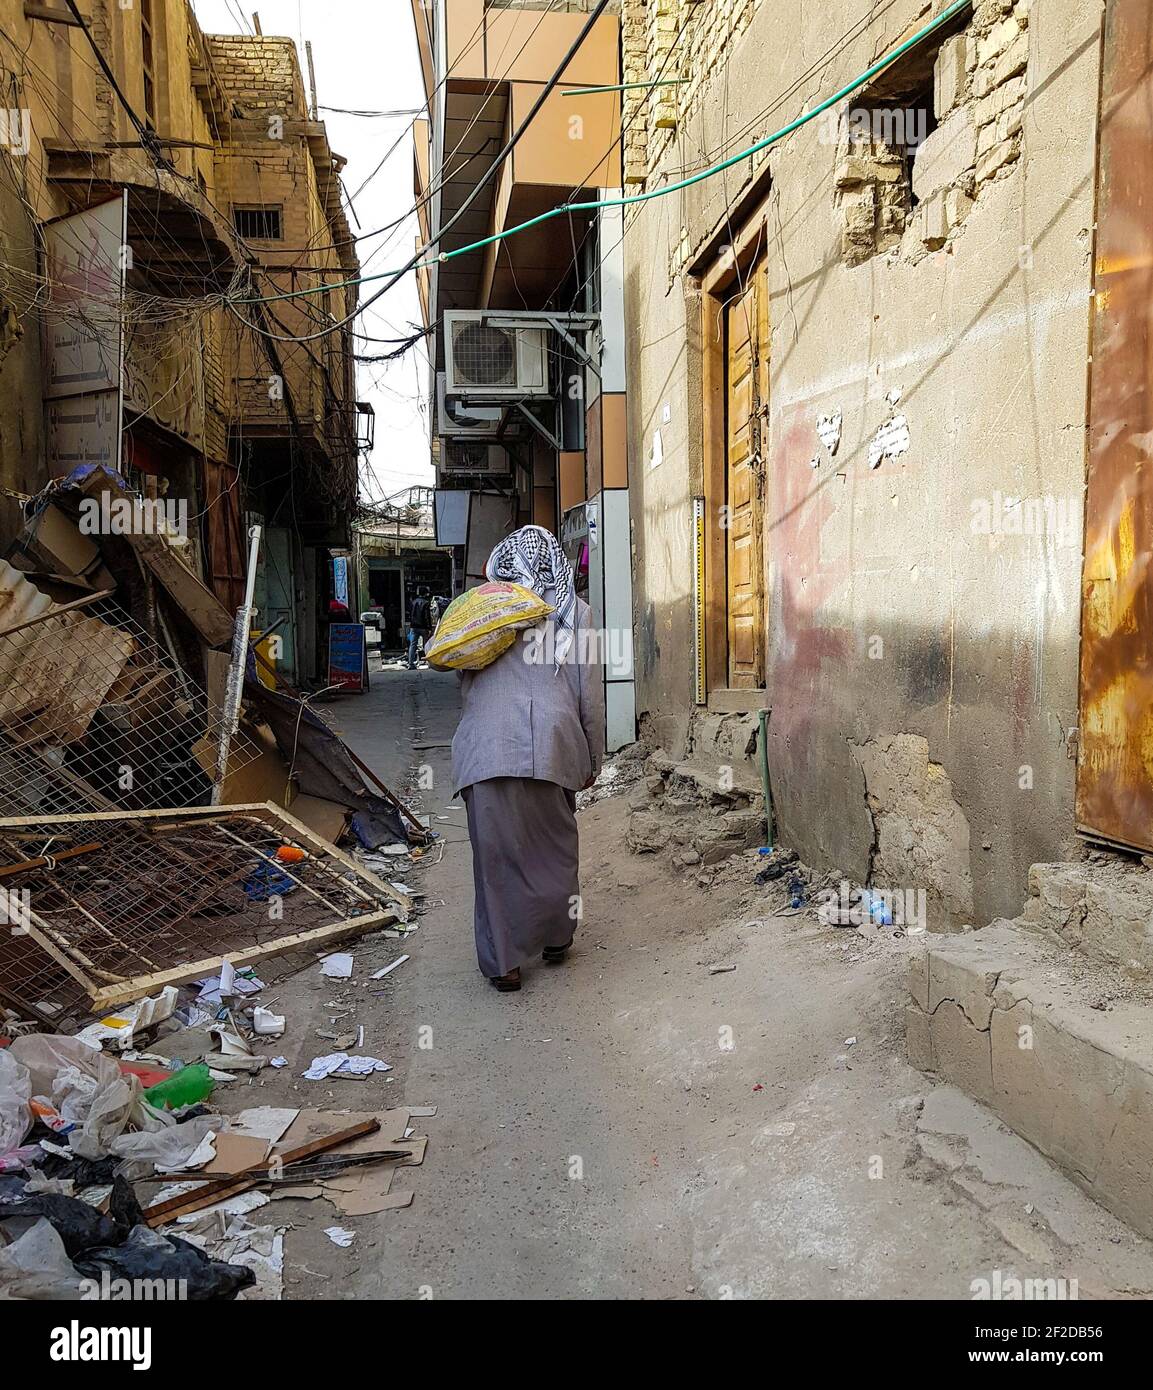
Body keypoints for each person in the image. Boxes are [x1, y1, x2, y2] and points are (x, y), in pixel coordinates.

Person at [451, 525, 605, 992]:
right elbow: (590, 696)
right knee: (555, 849)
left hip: (485, 746)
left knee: (494, 859)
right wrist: (591, 759)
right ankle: (557, 937)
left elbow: (465, 683)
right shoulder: (576, 613)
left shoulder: (481, 611)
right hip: (552, 744)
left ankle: (505, 964)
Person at [406, 585, 432, 669]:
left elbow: (411, 614)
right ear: (425, 594)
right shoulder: (426, 602)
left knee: (413, 645)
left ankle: (410, 664)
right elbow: (427, 616)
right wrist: (429, 628)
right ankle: (428, 663)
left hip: (413, 626)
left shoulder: (413, 602)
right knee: (426, 645)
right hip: (423, 627)